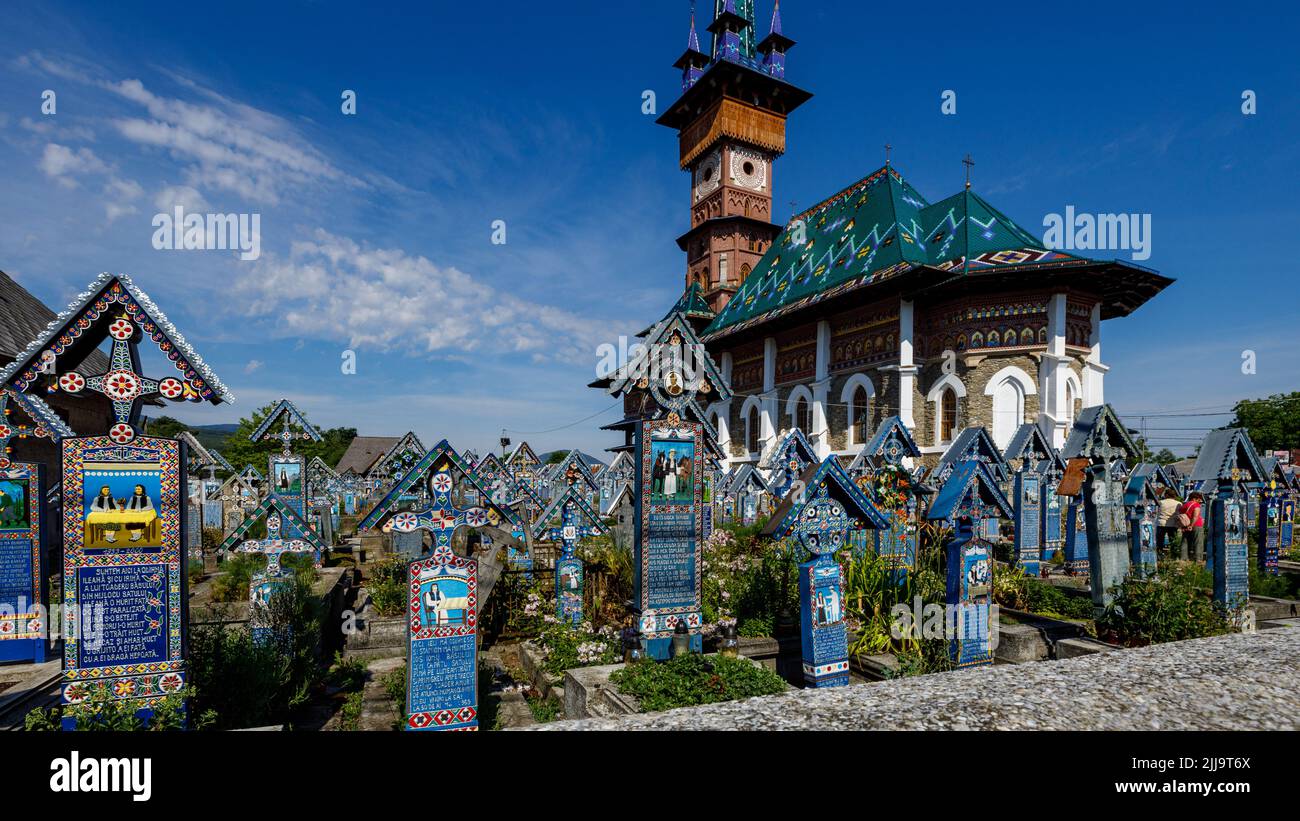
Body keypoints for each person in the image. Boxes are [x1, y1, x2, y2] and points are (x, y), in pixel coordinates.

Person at [1179, 491, 1206, 562]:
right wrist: (1191, 525)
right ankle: (1198, 558)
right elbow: (1195, 516)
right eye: (1198, 499)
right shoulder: (1196, 505)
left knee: (1185, 541)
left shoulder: (1184, 505)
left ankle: (1183, 558)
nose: (1200, 500)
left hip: (1185, 525)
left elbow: (1182, 516)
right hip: (1196, 525)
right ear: (1194, 498)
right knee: (1198, 542)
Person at [1156, 487, 1182, 559]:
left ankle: (1159, 554)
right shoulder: (1179, 503)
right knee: (1172, 540)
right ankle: (1174, 555)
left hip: (1161, 523)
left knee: (1160, 540)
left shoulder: (1161, 502)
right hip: (1173, 524)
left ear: (1166, 495)